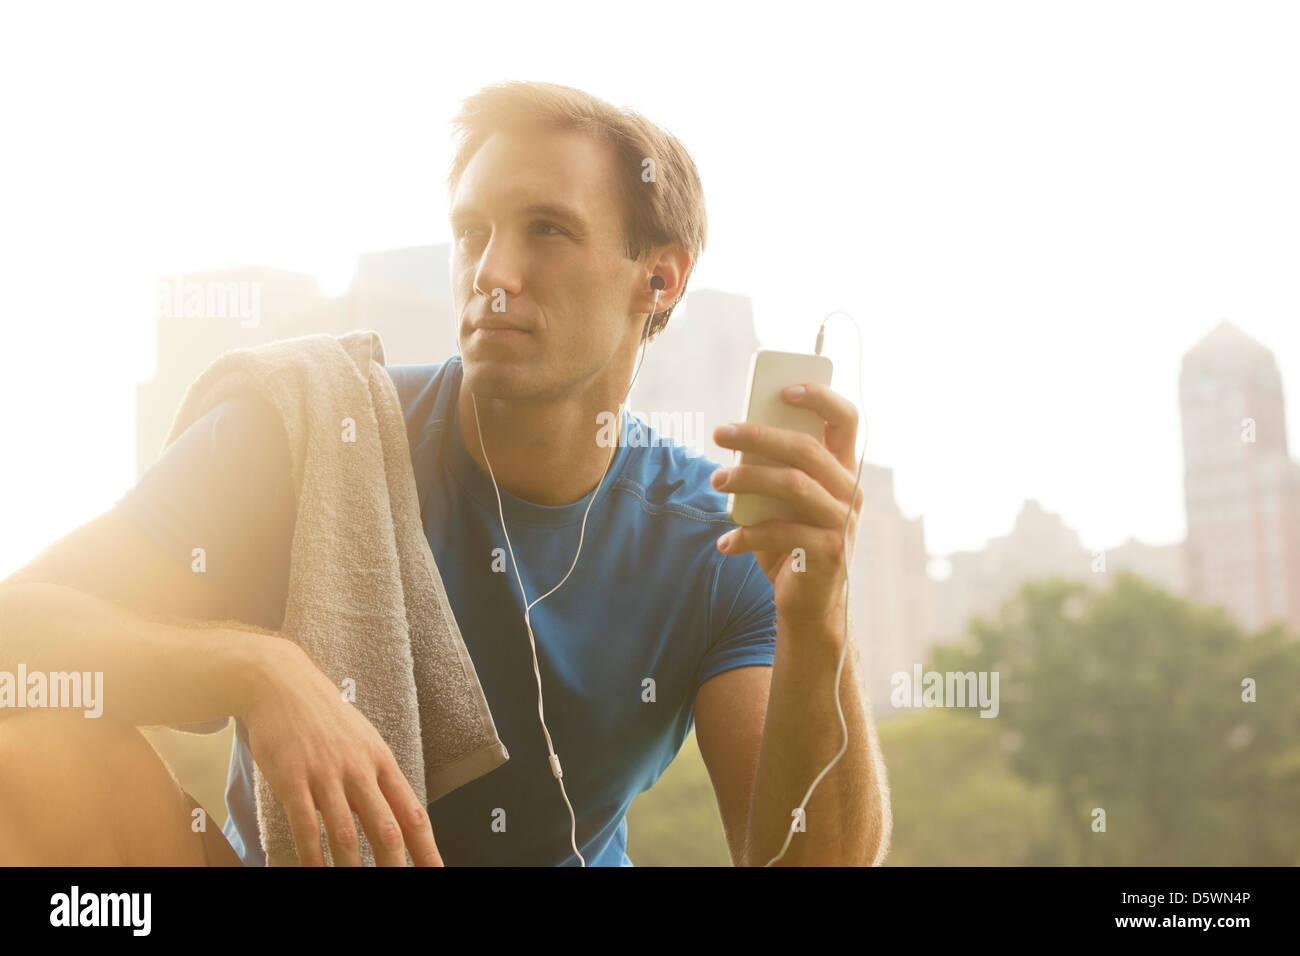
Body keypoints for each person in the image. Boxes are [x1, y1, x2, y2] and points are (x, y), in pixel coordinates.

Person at [0, 80, 889, 866]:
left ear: (659, 280)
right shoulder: (303, 435)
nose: (493, 275)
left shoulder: (721, 537)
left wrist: (818, 624)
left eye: (547, 229)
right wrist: (252, 669)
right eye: (474, 232)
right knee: (28, 756)